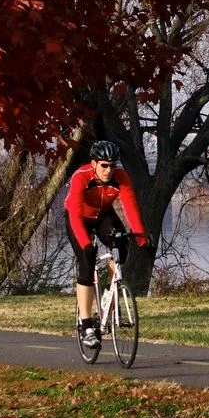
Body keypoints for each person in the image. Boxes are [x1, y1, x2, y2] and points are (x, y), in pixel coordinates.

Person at [64, 140, 149, 349]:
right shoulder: (81, 177)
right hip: (79, 218)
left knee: (121, 245)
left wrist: (141, 237)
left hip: (103, 215)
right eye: (104, 165)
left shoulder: (120, 177)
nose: (109, 170)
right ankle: (85, 325)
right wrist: (85, 244)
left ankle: (110, 295)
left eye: (112, 165)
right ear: (94, 163)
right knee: (87, 261)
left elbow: (130, 207)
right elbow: (74, 216)